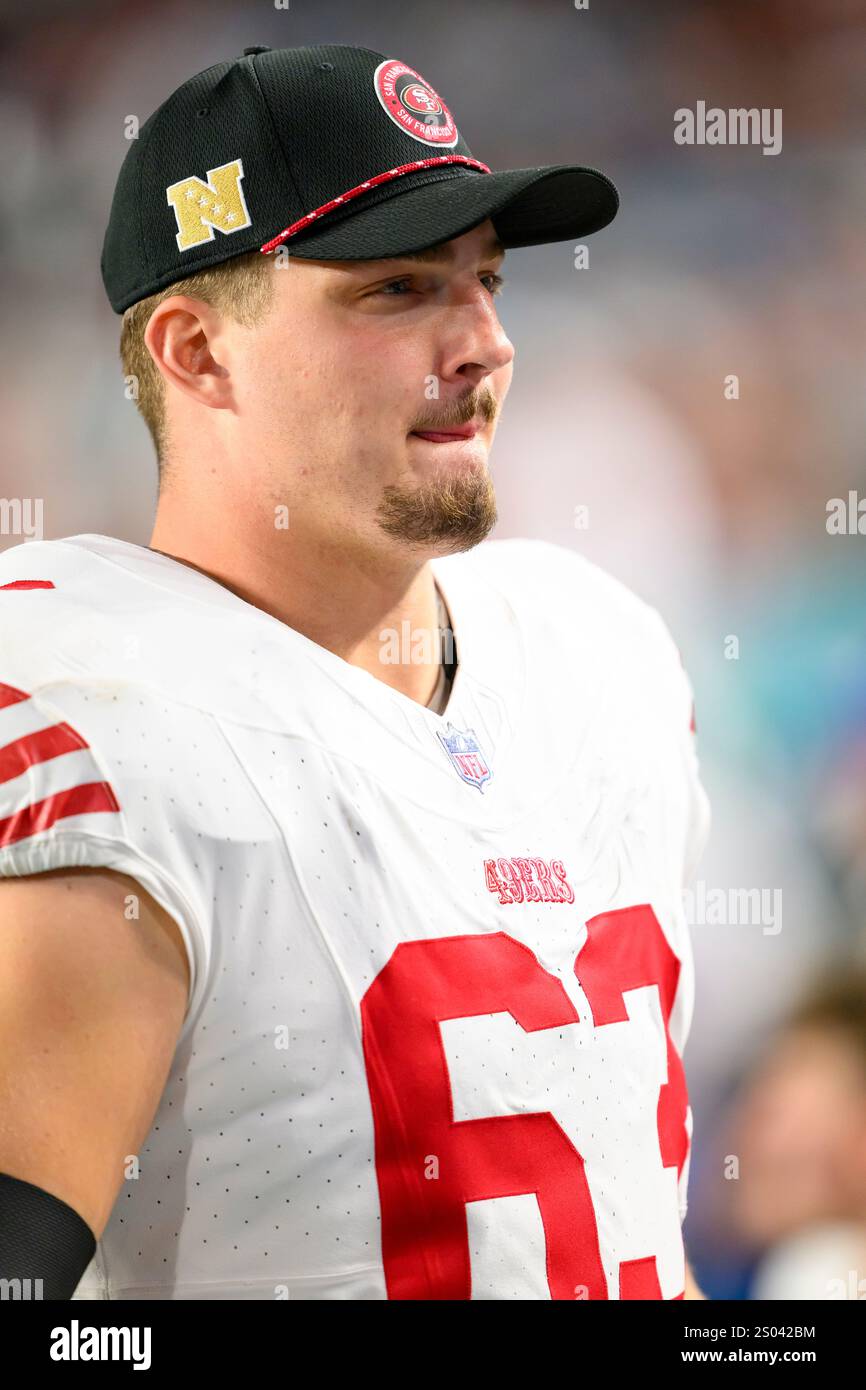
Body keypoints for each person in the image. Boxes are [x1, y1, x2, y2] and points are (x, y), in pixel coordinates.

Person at [0, 43, 710, 1300]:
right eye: (396, 289)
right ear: (196, 352)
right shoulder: (105, 714)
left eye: (485, 280)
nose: (484, 342)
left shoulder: (595, 654)